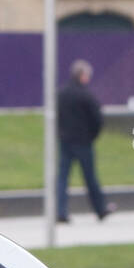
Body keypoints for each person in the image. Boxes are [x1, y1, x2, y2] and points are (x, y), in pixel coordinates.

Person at [56, 59, 116, 224]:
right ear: (82, 76)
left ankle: (60, 211)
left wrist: (61, 134)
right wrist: (92, 136)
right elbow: (97, 119)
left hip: (65, 142)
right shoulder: (86, 95)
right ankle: (100, 209)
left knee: (63, 178)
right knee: (90, 178)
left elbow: (56, 118)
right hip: (83, 143)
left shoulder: (62, 94)